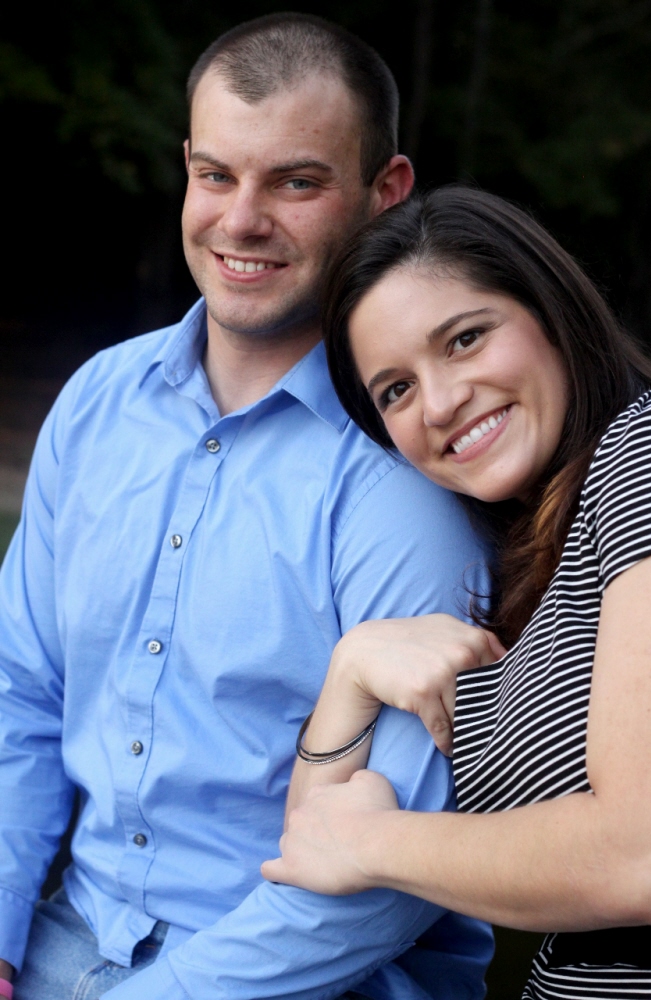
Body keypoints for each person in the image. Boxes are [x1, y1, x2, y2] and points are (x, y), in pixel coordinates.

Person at [0, 16, 495, 1000]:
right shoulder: (98, 401)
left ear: (384, 193)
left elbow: (386, 877)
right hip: (69, 935)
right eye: (218, 175)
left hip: (308, 975)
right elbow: (23, 694)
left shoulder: (412, 477)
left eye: (296, 182)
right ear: (186, 166)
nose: (241, 220)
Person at [263, 186, 651, 998]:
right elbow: (313, 846)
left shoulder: (647, 449)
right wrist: (350, 669)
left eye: (466, 339)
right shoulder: (521, 582)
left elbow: (647, 854)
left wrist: (381, 844)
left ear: (551, 312)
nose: (441, 403)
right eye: (396, 391)